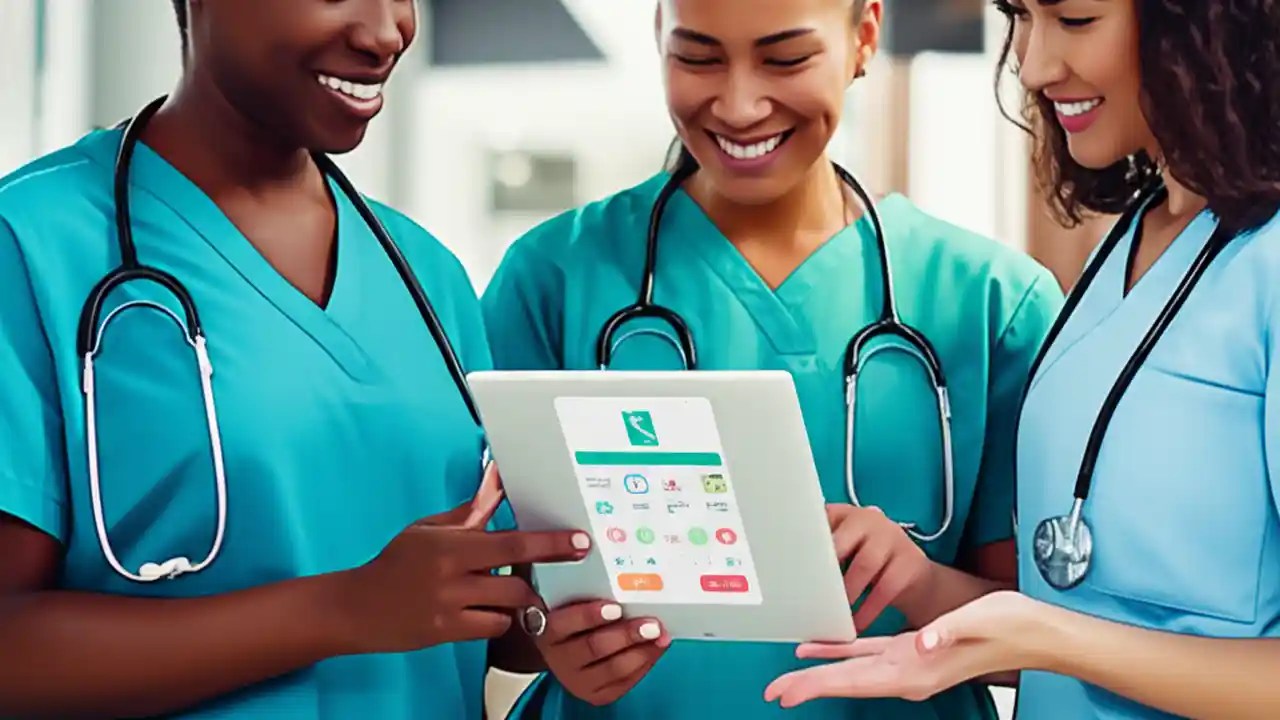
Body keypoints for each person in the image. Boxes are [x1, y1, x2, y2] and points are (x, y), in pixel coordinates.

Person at [0, 1, 656, 717]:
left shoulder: (426, 274)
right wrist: (342, 608)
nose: (385, 33)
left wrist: (561, 635)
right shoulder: (31, 245)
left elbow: (484, 613)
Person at [480, 0, 1065, 717]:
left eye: (786, 58)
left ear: (865, 36)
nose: (738, 103)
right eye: (697, 57)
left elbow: (1049, 643)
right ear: (658, 37)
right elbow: (494, 619)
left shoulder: (989, 301)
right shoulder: (554, 278)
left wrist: (919, 584)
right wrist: (549, 639)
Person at [763, 0, 1280, 718]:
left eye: (1074, 20)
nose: (1033, 66)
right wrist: (920, 585)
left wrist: (1048, 637)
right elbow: (1080, 616)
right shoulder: (1131, 240)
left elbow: (1062, 635)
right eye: (1021, 18)